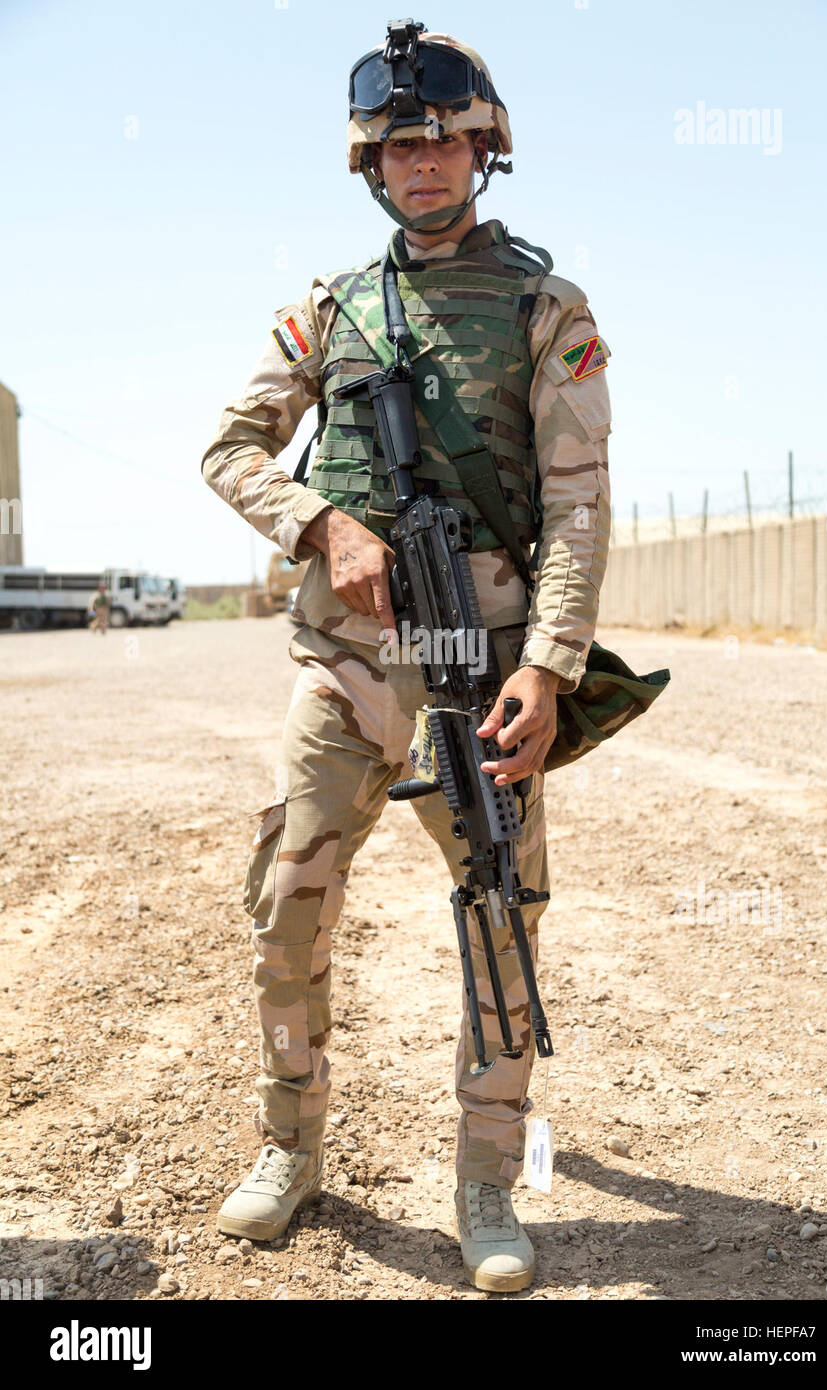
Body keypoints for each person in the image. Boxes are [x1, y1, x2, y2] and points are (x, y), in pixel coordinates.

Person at [200, 21, 612, 1294]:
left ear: (482, 147)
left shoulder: (548, 310)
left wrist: (544, 667)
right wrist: (322, 523)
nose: (419, 161)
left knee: (499, 924)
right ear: (367, 163)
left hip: (482, 676)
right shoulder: (327, 309)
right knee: (287, 912)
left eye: (440, 138)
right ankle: (288, 1147)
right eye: (396, 143)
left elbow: (578, 502)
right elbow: (229, 452)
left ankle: (487, 1182)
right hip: (343, 674)